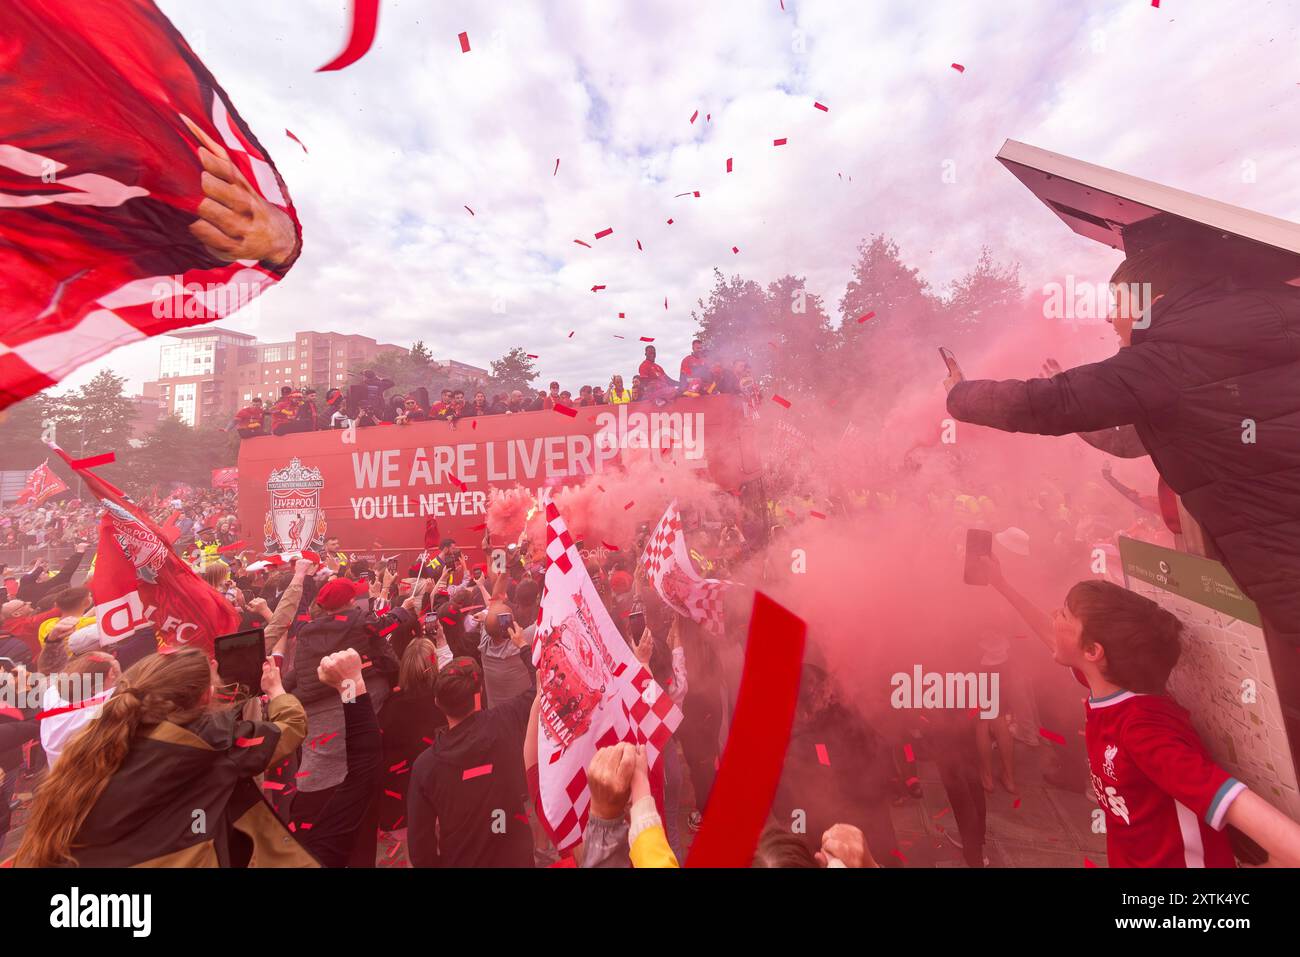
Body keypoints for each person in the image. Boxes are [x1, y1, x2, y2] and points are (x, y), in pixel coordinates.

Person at [944, 240, 1300, 651]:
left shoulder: (1166, 359)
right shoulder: (1260, 332)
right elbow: (1129, 438)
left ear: (1158, 301)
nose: (1111, 318)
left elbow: (1050, 403)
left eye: (1118, 303)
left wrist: (959, 394)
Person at [978, 551, 1300, 867]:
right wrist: (1001, 583)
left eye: (1063, 614)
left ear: (1093, 651)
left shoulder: (1143, 730)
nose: (1053, 616)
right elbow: (1054, 638)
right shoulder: (1110, 685)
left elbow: (1272, 831)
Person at [13, 650, 314, 867]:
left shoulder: (96, 741)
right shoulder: (211, 738)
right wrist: (277, 691)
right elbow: (291, 729)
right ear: (206, 696)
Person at [407, 625, 535, 867]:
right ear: (480, 693)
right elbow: (543, 687)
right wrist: (523, 647)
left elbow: (420, 847)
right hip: (516, 856)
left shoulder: (425, 766)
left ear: (437, 702)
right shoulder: (506, 720)